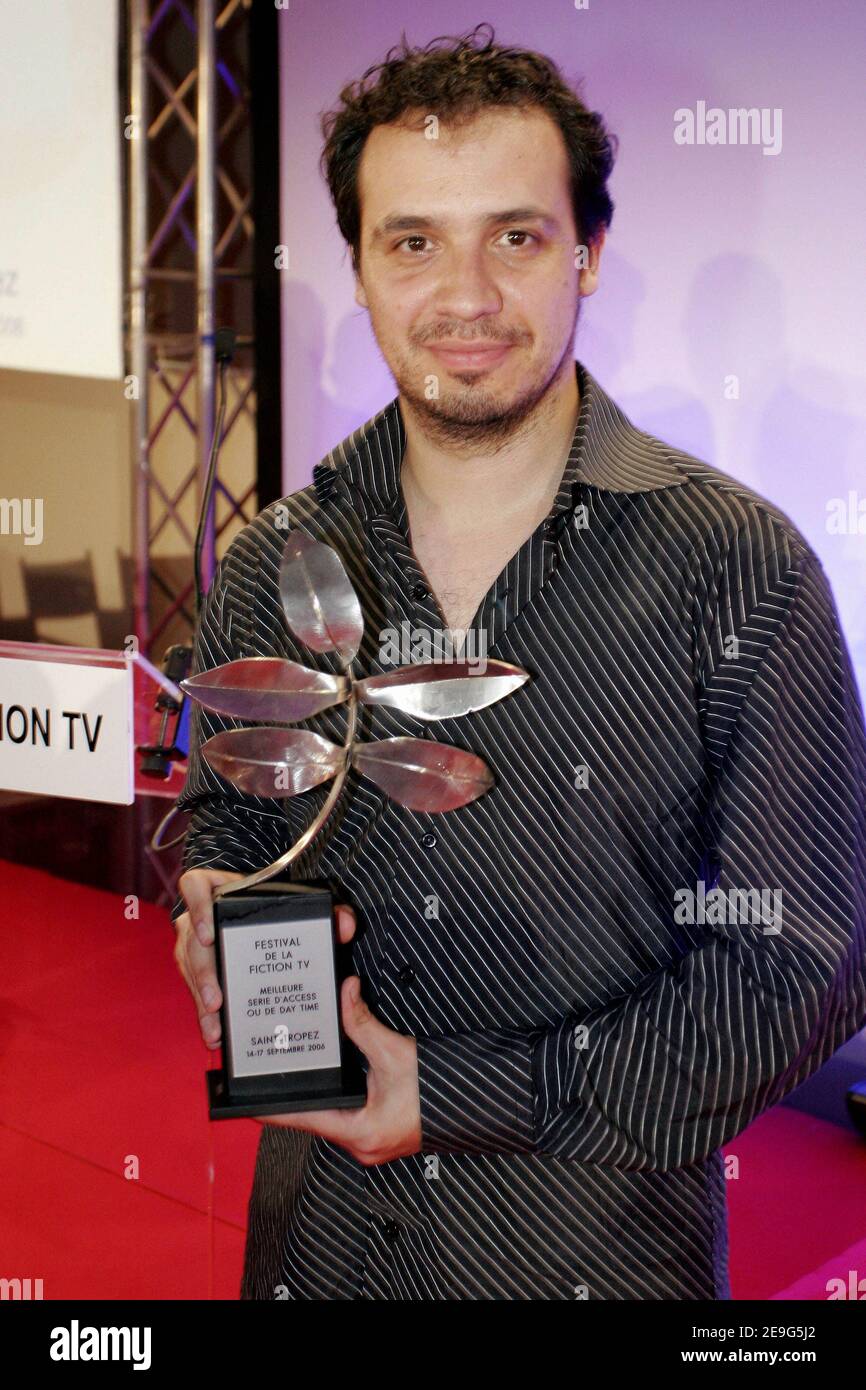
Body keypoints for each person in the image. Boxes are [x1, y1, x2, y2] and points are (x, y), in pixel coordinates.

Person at [171, 24, 866, 1299]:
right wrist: (209, 893)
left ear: (588, 255)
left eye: (516, 235)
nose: (466, 297)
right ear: (364, 268)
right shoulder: (280, 554)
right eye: (413, 241)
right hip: (316, 1250)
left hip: (585, 1258)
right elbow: (223, 803)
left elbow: (802, 966)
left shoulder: (737, 567)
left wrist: (461, 1093)